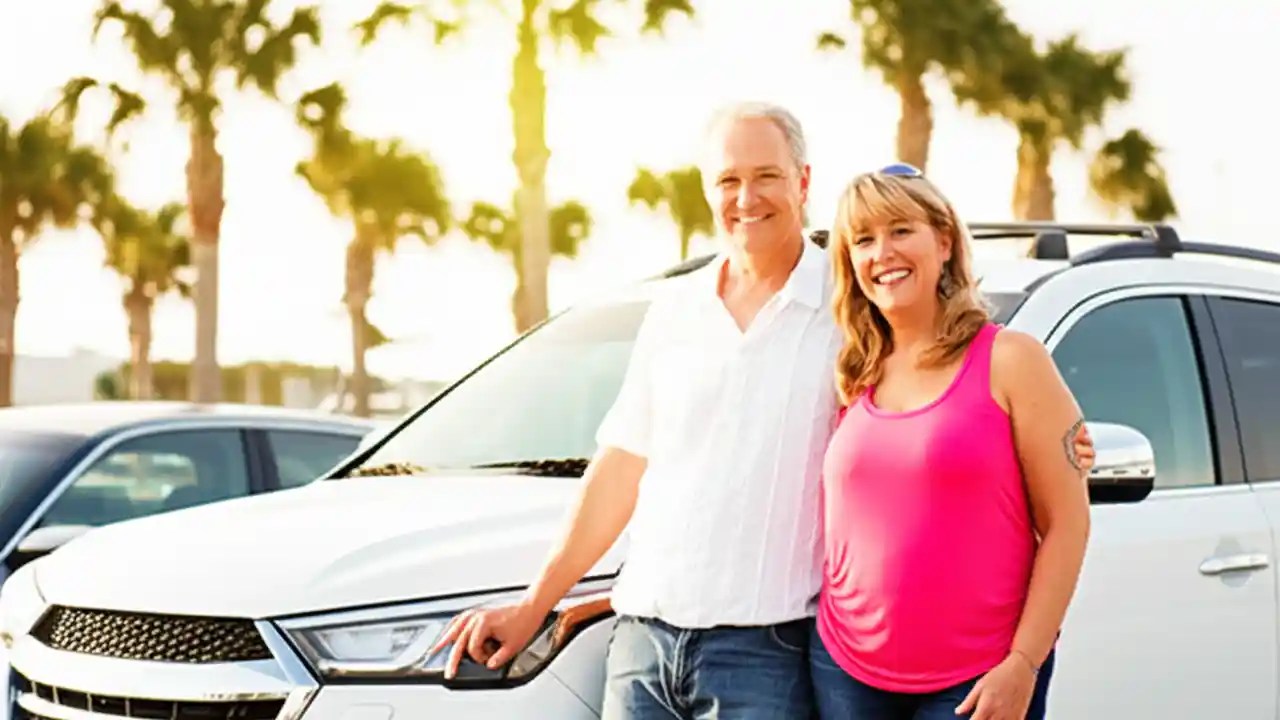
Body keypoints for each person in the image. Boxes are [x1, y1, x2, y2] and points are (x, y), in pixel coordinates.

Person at [430, 104, 1094, 719]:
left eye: (767, 176)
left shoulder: (853, 311)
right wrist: (536, 604)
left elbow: (956, 400)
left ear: (803, 181)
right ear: (708, 192)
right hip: (644, 648)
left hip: (768, 656)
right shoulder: (677, 311)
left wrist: (1067, 442)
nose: (747, 199)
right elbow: (623, 468)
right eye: (728, 180)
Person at [810, 163, 1093, 720]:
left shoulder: (1011, 359)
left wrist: (1023, 663)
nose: (881, 252)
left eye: (900, 230)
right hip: (844, 671)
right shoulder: (850, 371)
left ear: (943, 241)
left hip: (977, 679)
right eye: (862, 240)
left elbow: (1067, 522)